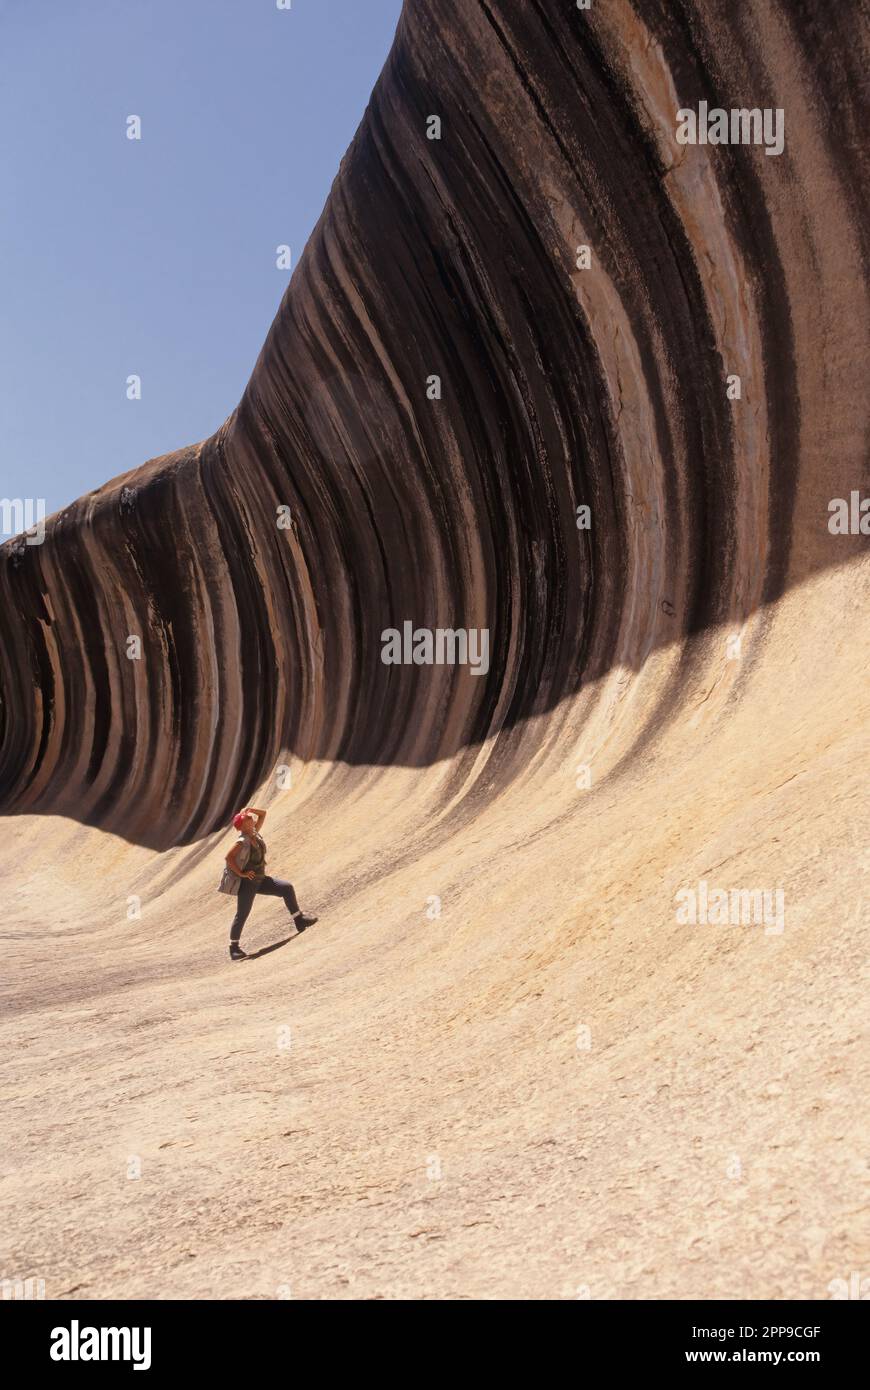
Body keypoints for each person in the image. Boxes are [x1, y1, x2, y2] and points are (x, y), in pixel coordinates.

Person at [219, 805, 317, 961]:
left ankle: (299, 920)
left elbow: (263, 814)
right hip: (248, 883)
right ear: (243, 826)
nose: (251, 818)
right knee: (242, 913)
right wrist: (242, 873)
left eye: (250, 818)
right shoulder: (242, 841)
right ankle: (234, 948)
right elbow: (228, 858)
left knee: (286, 888)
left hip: (261, 879)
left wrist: (250, 809)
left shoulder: (254, 834)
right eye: (248, 818)